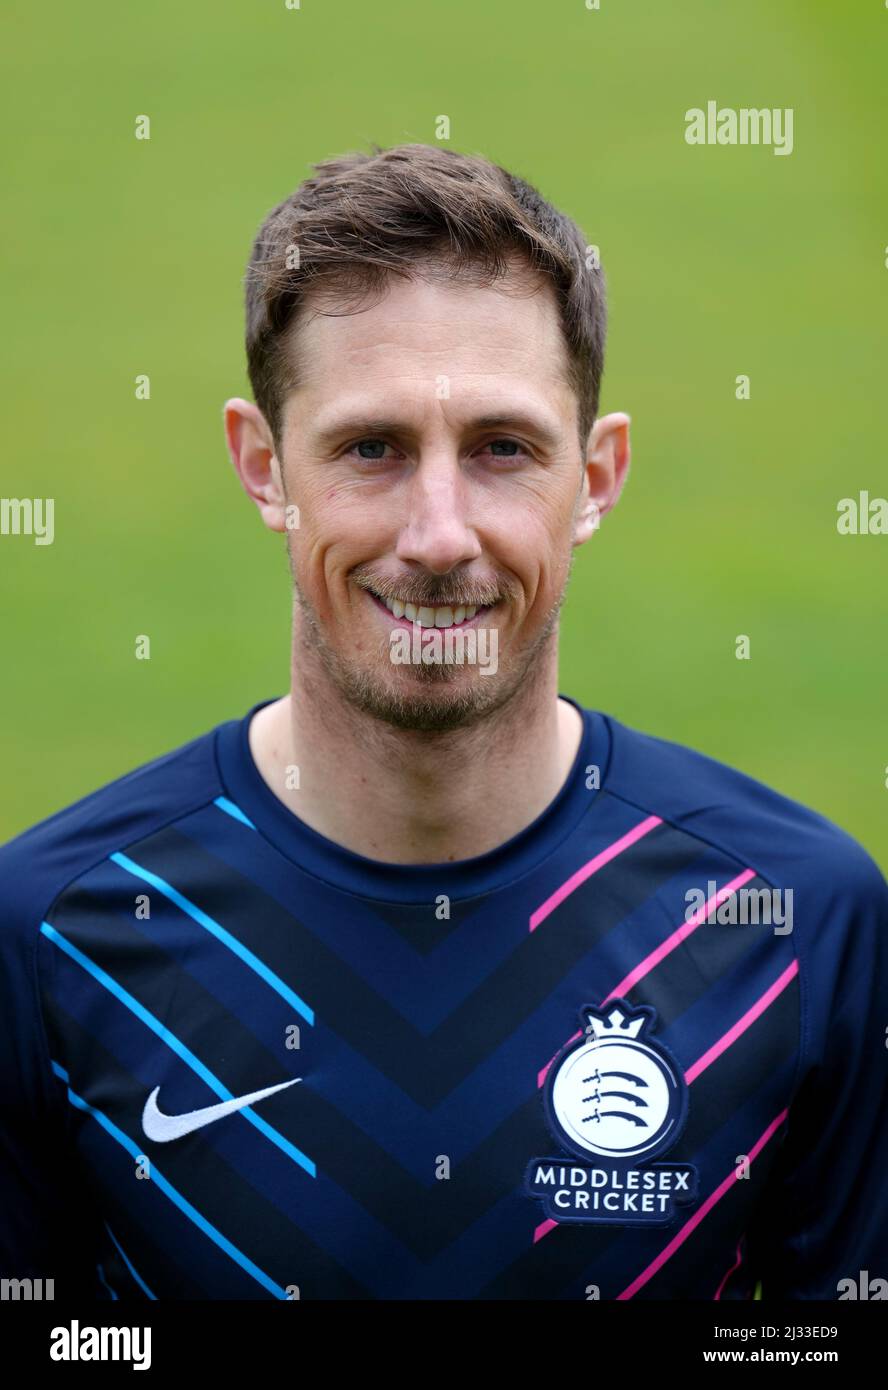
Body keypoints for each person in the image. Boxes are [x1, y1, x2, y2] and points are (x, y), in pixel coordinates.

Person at [1, 143, 885, 1301]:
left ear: (598, 477)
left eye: (501, 451)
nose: (438, 535)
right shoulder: (55, 932)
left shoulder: (800, 923)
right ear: (265, 468)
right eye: (370, 449)